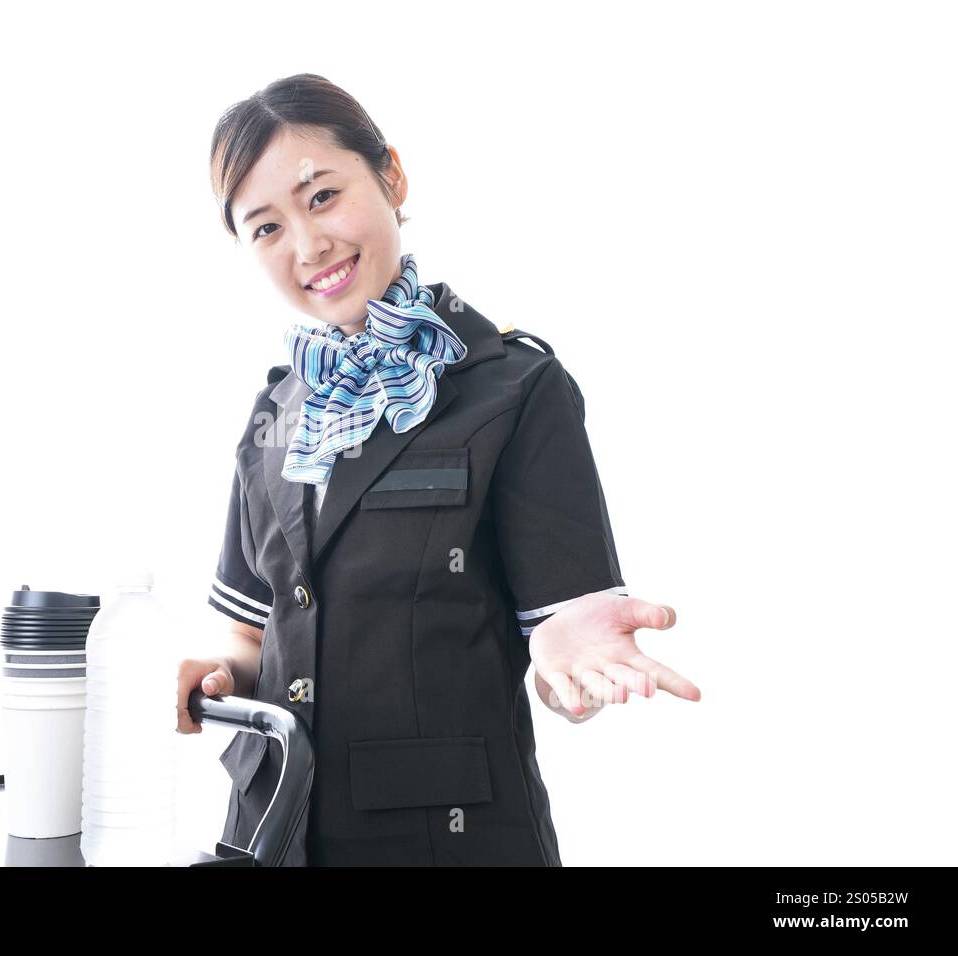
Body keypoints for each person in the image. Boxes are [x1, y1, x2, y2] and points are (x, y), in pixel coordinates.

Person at [176, 73, 700, 867]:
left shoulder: (514, 388)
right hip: (269, 837)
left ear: (391, 175)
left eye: (322, 197)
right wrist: (214, 673)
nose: (308, 247)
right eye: (266, 228)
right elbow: (252, 634)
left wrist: (568, 669)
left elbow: (564, 637)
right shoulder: (276, 414)